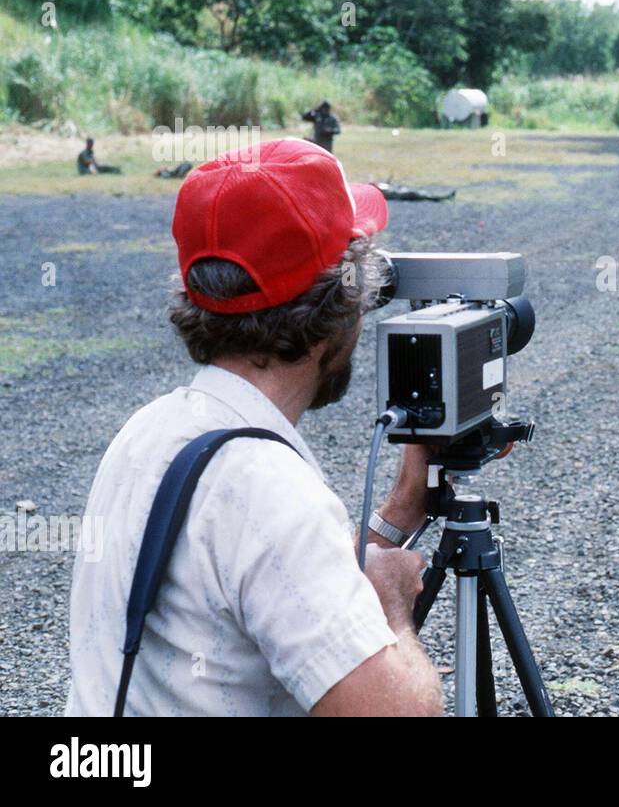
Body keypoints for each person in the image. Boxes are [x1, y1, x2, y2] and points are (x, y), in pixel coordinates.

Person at [66, 139, 445, 716]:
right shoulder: (270, 489)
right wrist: (391, 606)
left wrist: (401, 509)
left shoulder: (150, 431)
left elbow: (270, 586)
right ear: (342, 306)